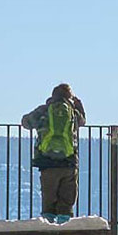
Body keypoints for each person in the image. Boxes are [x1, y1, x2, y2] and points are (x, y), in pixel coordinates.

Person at [27, 82, 85, 219]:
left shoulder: (44, 110)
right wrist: (78, 104)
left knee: (48, 198)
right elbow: (82, 121)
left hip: (47, 162)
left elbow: (26, 122)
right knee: (66, 200)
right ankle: (65, 231)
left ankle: (48, 230)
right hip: (68, 161)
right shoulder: (72, 112)